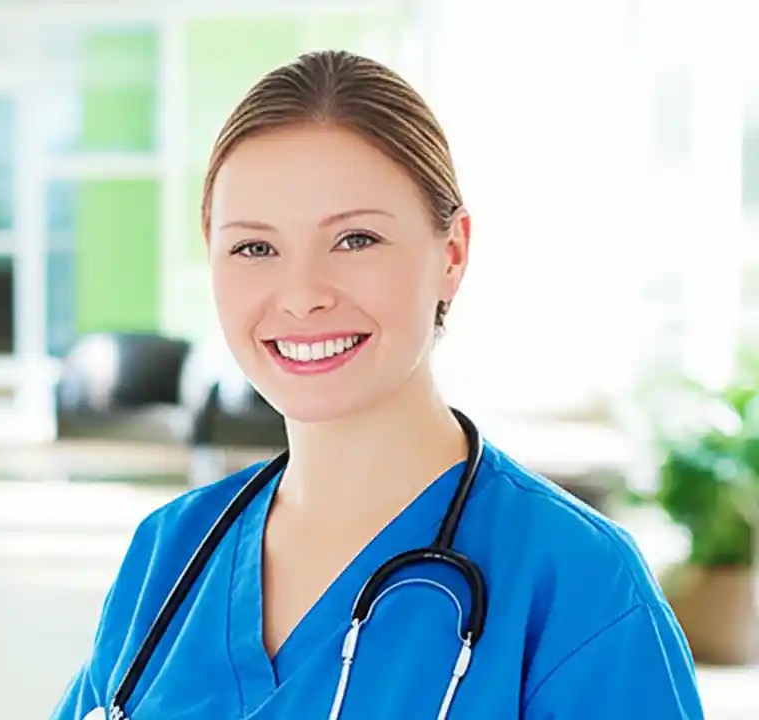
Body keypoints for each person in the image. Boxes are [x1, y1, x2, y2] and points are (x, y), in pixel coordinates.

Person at [50, 49, 705, 719]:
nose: (301, 295)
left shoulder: (578, 586)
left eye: (356, 239)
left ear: (452, 254)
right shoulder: (170, 556)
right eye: (254, 248)